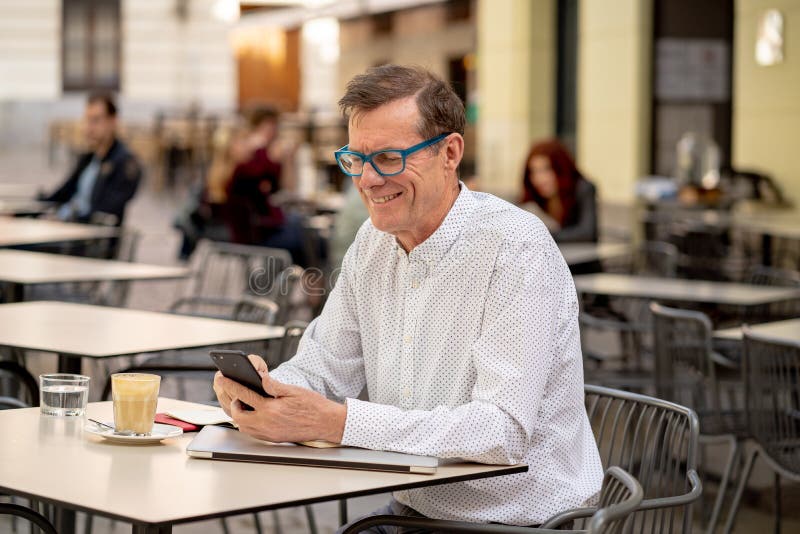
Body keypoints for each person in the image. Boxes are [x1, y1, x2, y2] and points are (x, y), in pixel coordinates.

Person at [213, 65, 603, 529]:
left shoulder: (516, 248)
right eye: (356, 159)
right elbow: (324, 365)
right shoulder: (373, 242)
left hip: (522, 522)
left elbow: (501, 433)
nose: (369, 180)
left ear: (450, 153)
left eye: (390, 158)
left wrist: (336, 423)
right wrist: (265, 391)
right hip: (415, 510)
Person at [41, 92, 141, 226]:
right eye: (87, 120)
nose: (89, 128)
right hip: (65, 225)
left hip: (89, 238)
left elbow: (104, 214)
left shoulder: (125, 163)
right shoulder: (88, 158)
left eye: (96, 121)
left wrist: (65, 221)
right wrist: (25, 210)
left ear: (113, 121)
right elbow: (62, 193)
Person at [224, 105, 307, 265]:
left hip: (265, 224)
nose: (273, 132)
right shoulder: (244, 159)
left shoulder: (266, 158)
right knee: (305, 239)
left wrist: (288, 160)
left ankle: (274, 284)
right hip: (252, 231)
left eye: (274, 127)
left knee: (302, 228)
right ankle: (275, 284)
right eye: (268, 127)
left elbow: (289, 188)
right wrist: (259, 149)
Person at [520, 139, 598, 242]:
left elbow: (587, 233)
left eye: (546, 169)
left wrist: (542, 235)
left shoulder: (583, 188)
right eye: (533, 171)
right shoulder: (533, 197)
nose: (539, 178)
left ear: (561, 168)